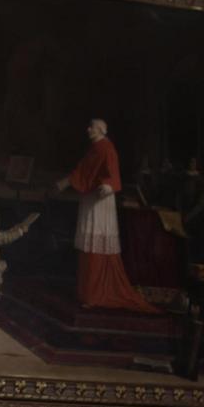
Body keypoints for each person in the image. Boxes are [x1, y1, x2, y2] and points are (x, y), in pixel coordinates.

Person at [54, 119, 158, 314]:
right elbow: (83, 170)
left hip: (101, 200)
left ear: (101, 130)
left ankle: (94, 294)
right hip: (90, 197)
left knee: (96, 243)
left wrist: (109, 185)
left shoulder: (107, 148)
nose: (88, 129)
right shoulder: (94, 148)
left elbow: (113, 175)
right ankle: (86, 293)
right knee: (88, 243)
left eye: (91, 127)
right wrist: (66, 181)